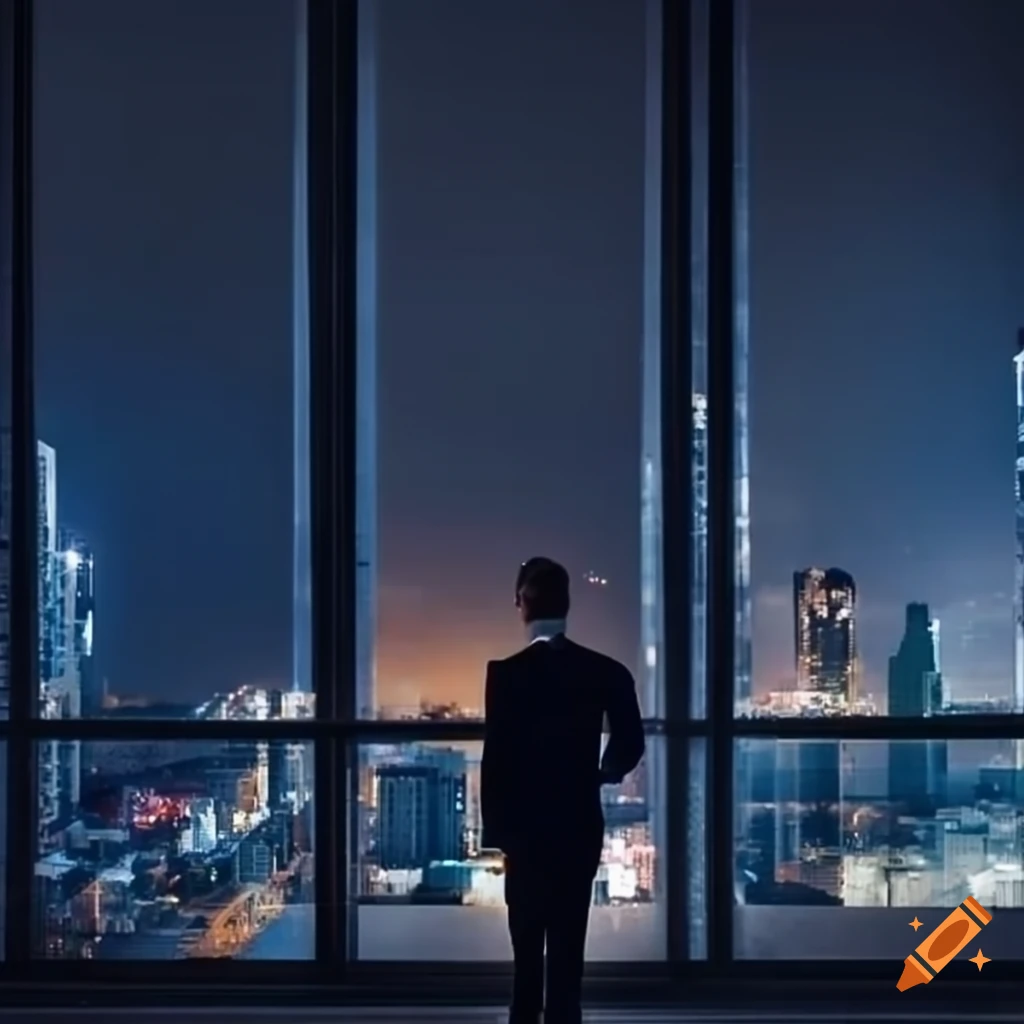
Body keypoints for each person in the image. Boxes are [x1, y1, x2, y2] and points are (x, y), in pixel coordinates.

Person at [481, 557, 645, 1024]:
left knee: (527, 944)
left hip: (526, 830)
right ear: (567, 604)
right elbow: (630, 743)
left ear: (522, 604)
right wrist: (600, 774)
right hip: (577, 821)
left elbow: (497, 760)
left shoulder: (506, 675)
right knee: (570, 939)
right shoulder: (605, 671)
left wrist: (498, 833)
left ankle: (525, 1014)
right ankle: (564, 1014)